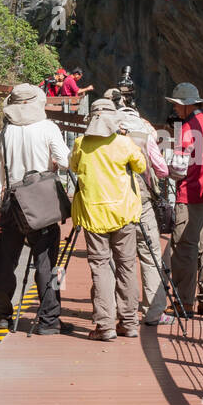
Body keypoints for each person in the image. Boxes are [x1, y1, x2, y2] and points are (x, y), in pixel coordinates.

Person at [0, 83, 73, 335]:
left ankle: (2, 316)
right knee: (47, 262)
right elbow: (66, 161)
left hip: (13, 201)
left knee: (4, 260)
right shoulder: (48, 128)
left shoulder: (3, 134)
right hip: (43, 200)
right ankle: (49, 320)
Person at [69, 96, 145, 341]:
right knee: (127, 266)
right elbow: (141, 166)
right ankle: (130, 322)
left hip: (93, 214)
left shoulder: (81, 143)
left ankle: (105, 326)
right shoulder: (123, 143)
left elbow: (74, 166)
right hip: (124, 213)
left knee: (100, 268)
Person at [106, 86, 171, 327]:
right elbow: (162, 170)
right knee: (150, 254)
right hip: (142, 202)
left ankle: (119, 310)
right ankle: (154, 312)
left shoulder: (108, 134)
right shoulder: (144, 134)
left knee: (118, 257)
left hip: (114, 202)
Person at [166, 82, 203, 318]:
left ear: (186, 105)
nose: (175, 111)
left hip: (190, 194)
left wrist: (166, 170)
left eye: (177, 106)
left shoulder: (188, 128)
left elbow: (179, 169)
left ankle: (184, 301)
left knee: (184, 248)